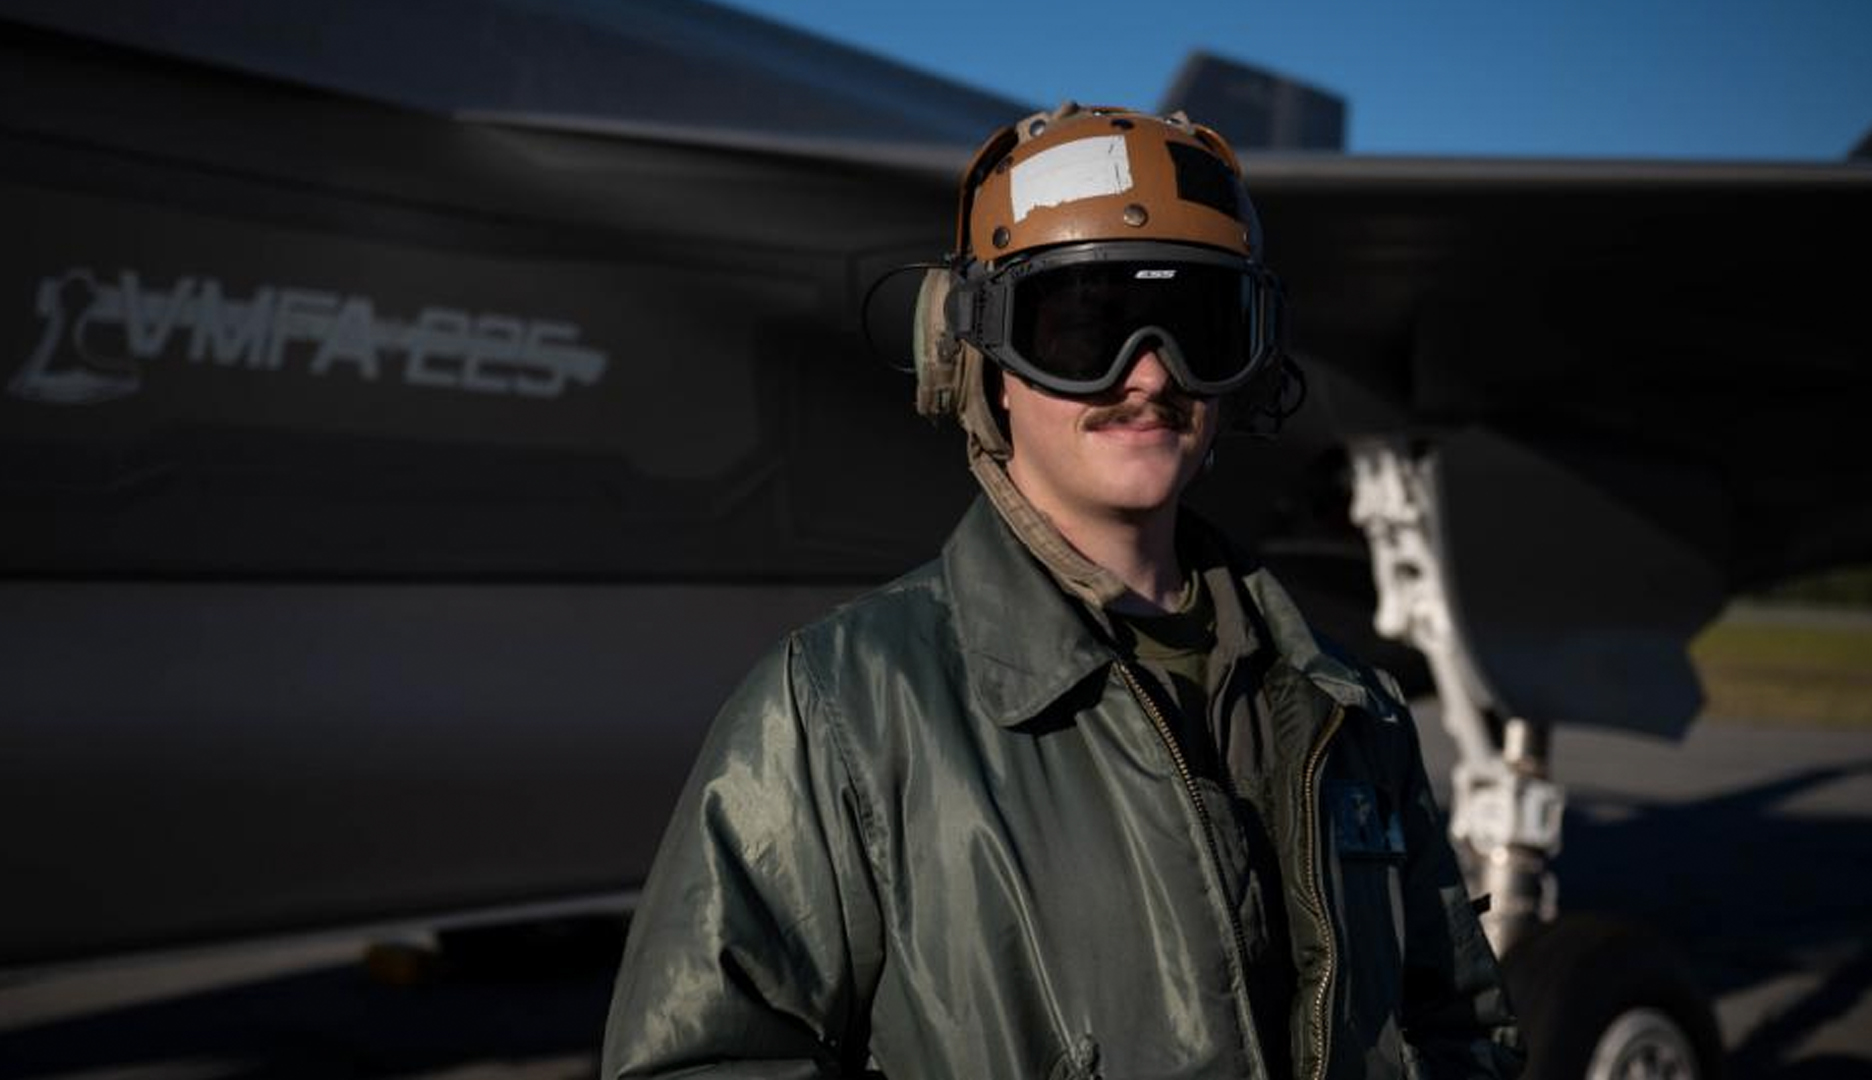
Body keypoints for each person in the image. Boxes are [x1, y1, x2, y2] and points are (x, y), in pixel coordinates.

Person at [601, 103, 1522, 1080]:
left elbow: (1458, 1028)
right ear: (982, 360)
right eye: (1088, 329)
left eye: (1200, 325)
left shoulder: (1348, 710)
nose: (1152, 374)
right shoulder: (841, 710)